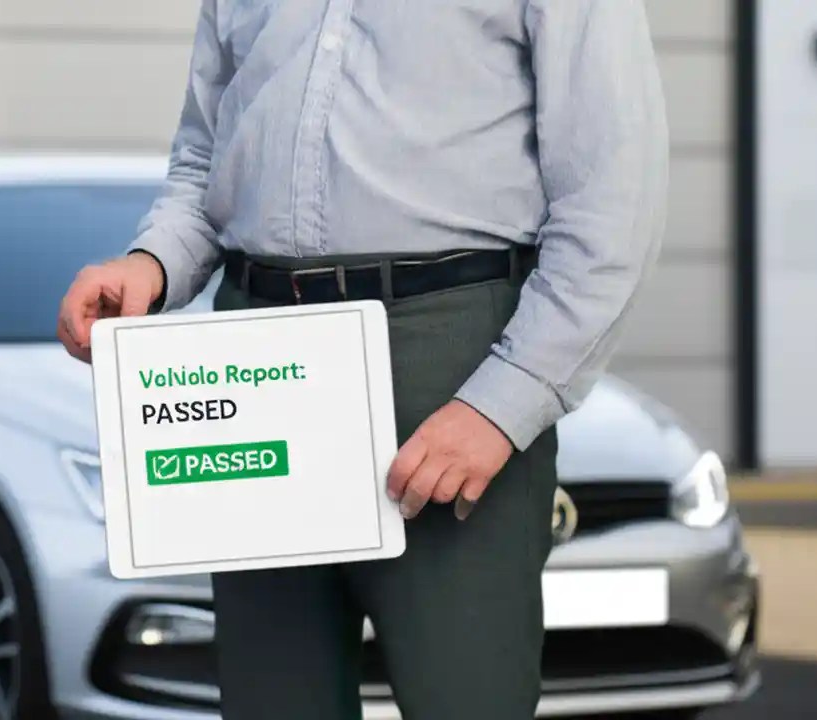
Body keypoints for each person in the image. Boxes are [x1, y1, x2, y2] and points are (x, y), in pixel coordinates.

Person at [58, 1, 667, 717]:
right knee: (273, 702)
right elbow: (204, 162)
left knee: (464, 699)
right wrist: (152, 263)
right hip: (259, 358)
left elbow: (612, 201)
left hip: (450, 363)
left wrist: (500, 407)